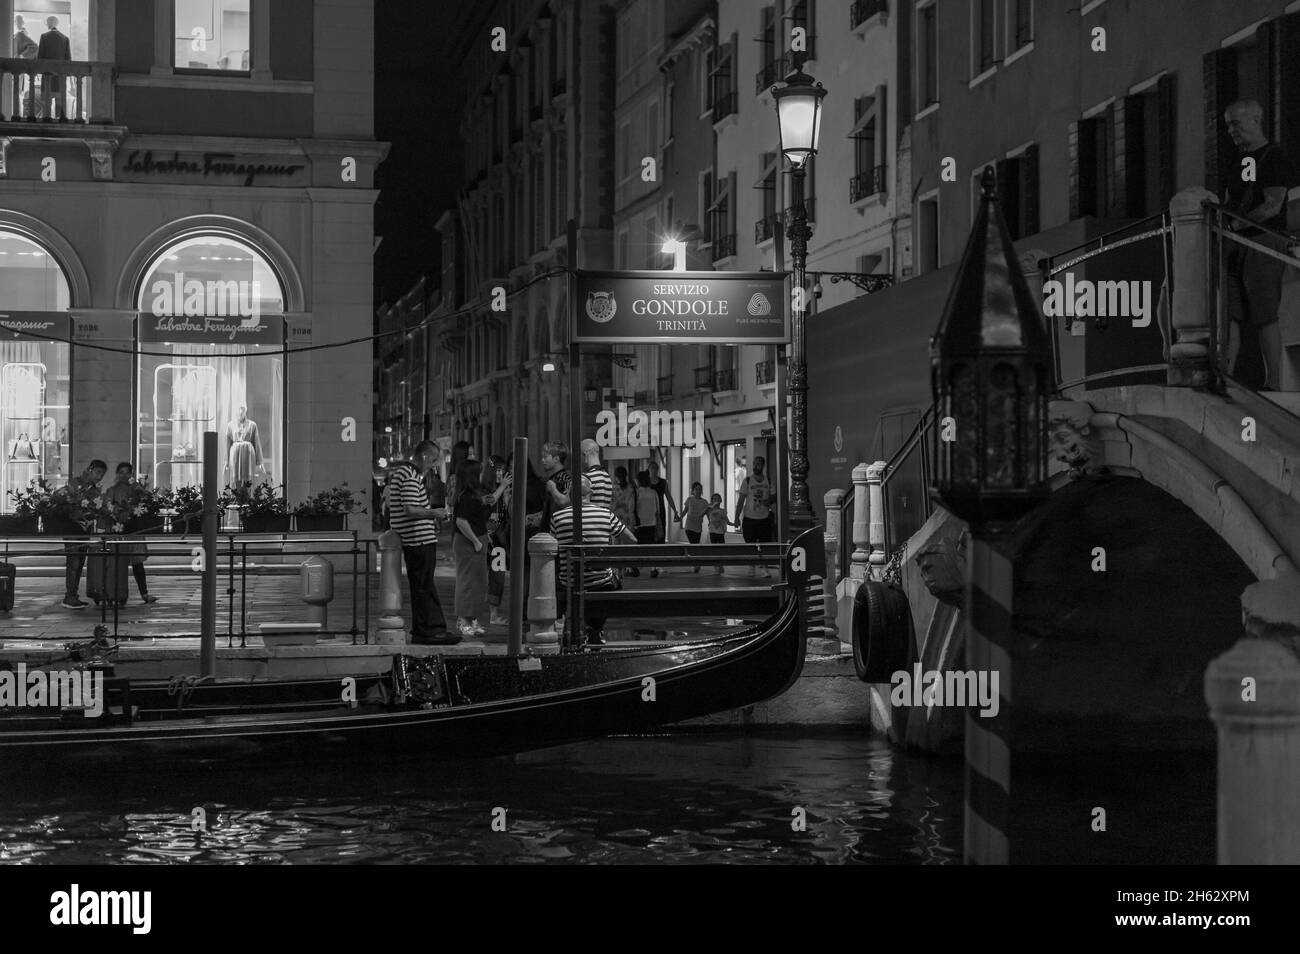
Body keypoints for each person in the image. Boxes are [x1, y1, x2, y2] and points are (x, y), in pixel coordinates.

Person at [1222, 99, 1299, 391]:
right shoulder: (1238, 161)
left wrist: (1234, 225)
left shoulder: (1274, 157)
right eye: (1228, 124)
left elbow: (1273, 204)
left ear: (1256, 120)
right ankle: (1225, 375)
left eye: (1236, 123)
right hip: (1236, 241)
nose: (1231, 131)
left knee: (1265, 312)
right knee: (1229, 312)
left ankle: (1273, 383)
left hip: (1262, 240)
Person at [550, 475, 636, 647]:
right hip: (600, 582)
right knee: (610, 580)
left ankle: (579, 628)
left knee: (571, 582)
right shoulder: (605, 514)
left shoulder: (557, 518)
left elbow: (552, 550)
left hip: (570, 583)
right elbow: (632, 540)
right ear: (591, 492)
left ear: (569, 493)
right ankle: (595, 628)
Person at [388, 440, 458, 645]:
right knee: (424, 586)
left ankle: (423, 630)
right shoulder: (409, 475)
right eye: (435, 460)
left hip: (417, 539)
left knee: (421, 586)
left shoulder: (406, 474)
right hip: (418, 541)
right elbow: (410, 509)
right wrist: (434, 513)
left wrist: (430, 518)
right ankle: (432, 631)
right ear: (425, 457)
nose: (435, 465)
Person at [105, 462, 158, 604]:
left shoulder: (136, 489)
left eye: (127, 472)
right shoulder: (112, 490)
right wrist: (118, 513)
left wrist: (137, 487)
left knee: (138, 564)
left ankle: (144, 593)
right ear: (117, 474)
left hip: (135, 530)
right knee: (116, 565)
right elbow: (108, 506)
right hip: (118, 530)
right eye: (120, 472)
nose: (123, 475)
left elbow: (148, 499)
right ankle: (115, 595)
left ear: (131, 474)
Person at [452, 459, 490, 638]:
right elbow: (461, 521)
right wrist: (476, 541)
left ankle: (472, 620)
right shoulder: (466, 496)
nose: (482, 474)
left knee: (478, 582)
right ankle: (463, 621)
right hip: (469, 542)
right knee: (467, 582)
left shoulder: (471, 494)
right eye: (479, 472)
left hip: (476, 540)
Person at [62, 459, 107, 609]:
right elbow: (69, 502)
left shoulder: (95, 490)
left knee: (80, 562)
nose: (99, 477)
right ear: (90, 469)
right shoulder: (75, 483)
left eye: (102, 474)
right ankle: (70, 596)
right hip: (71, 529)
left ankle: (73, 595)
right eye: (98, 473)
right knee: (73, 562)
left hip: (84, 530)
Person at [483, 454, 511, 626]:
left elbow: (508, 514)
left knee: (497, 577)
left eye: (503, 470)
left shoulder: (504, 489)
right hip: (481, 538)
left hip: (498, 540)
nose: (500, 474)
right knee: (477, 577)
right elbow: (489, 501)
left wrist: (507, 498)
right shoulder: (483, 489)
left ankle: (494, 614)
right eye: (498, 470)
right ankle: (470, 615)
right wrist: (502, 488)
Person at [735, 455, 774, 578]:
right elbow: (741, 500)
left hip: (764, 518)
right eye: (754, 464)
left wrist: (769, 500)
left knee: (764, 546)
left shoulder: (768, 481)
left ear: (762, 466)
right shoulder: (747, 481)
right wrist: (736, 517)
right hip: (749, 518)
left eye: (758, 464)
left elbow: (774, 496)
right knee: (750, 545)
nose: (755, 466)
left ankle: (765, 569)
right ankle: (751, 567)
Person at [646, 460, 678, 578]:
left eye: (655, 468)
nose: (654, 470)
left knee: (660, 537)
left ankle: (658, 564)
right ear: (648, 469)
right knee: (651, 537)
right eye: (652, 468)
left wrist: (675, 510)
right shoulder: (646, 482)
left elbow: (668, 496)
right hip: (648, 512)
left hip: (660, 512)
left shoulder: (663, 482)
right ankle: (652, 564)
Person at [37, 16, 71, 122]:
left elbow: (40, 58)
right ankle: (59, 123)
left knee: (46, 104)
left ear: (49, 23)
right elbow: (68, 60)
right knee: (60, 104)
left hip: (47, 75)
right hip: (60, 77)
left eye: (46, 23)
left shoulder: (44, 37)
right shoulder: (65, 38)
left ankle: (46, 125)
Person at [539, 440, 571, 532]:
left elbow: (567, 503)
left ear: (556, 459)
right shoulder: (553, 478)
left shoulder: (565, 478)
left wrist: (553, 490)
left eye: (545, 457)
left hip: (561, 530)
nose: (542, 460)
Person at [611, 466, 638, 576]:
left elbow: (611, 506)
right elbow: (632, 507)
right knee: (628, 546)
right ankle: (628, 568)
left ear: (616, 477)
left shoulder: (613, 489)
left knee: (616, 547)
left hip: (616, 519)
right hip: (628, 519)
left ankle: (618, 571)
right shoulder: (631, 489)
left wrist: (618, 505)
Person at [679, 481, 710, 573]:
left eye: (700, 489)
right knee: (693, 544)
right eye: (696, 489)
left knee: (695, 545)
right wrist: (679, 518)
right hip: (689, 526)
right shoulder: (689, 499)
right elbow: (685, 511)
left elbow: (707, 513)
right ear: (693, 491)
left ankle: (694, 561)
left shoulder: (705, 502)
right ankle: (695, 564)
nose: (698, 491)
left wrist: (710, 522)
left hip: (698, 527)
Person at [633, 470, 660, 547]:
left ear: (638, 481)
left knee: (640, 548)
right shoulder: (653, 492)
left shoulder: (636, 493)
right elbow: (658, 511)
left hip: (639, 524)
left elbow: (633, 508)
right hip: (652, 524)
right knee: (650, 547)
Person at [706, 493, 732, 575]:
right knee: (714, 549)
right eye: (714, 499)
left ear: (721, 500)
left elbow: (727, 521)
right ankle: (716, 567)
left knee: (721, 550)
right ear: (712, 501)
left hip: (721, 532)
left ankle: (720, 564)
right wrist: (713, 505)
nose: (716, 500)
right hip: (713, 532)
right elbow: (708, 511)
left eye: (718, 499)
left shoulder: (723, 511)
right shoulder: (710, 509)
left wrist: (734, 524)